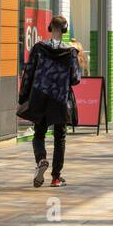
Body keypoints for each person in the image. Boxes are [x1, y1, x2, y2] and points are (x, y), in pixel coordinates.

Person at [19, 14, 81, 188]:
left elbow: (28, 73)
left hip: (40, 97)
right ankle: (55, 177)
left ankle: (41, 160)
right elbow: (76, 79)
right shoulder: (71, 51)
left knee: (39, 134)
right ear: (65, 30)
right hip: (60, 98)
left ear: (50, 28)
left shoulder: (39, 48)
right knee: (59, 138)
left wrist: (23, 97)